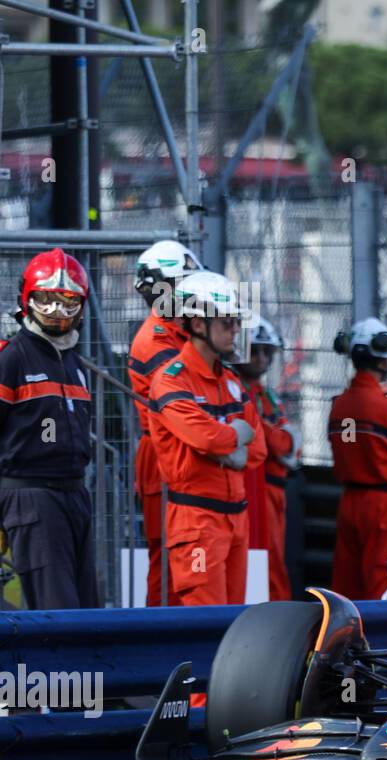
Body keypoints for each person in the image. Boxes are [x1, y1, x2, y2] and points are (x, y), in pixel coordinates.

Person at [149, 271, 266, 606]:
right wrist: (232, 440)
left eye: (235, 322)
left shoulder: (230, 379)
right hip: (197, 523)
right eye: (227, 322)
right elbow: (206, 438)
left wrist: (227, 446)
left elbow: (257, 448)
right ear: (198, 325)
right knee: (205, 621)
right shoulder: (171, 380)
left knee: (233, 625)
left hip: (235, 520)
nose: (235, 330)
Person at [0, 249, 99, 609]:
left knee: (88, 606)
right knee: (57, 609)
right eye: (47, 300)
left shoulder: (73, 362)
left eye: (68, 302)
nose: (58, 311)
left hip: (74, 492)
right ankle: (60, 669)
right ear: (26, 301)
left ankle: (90, 668)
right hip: (31, 496)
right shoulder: (11, 358)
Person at [127, 240, 203, 605]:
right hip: (162, 456)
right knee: (167, 558)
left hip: (179, 452)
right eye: (181, 283)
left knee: (185, 556)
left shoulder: (178, 333)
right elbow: (185, 389)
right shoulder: (155, 340)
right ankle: (159, 638)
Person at [328, 317, 387, 600]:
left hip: (349, 504)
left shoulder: (339, 405)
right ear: (382, 359)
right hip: (384, 507)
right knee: (383, 586)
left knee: (347, 586)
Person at [233, 315, 300, 601]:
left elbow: (287, 446)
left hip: (274, 491)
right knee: (264, 563)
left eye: (266, 352)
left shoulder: (268, 395)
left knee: (273, 561)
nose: (261, 358)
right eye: (255, 351)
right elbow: (276, 441)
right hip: (253, 490)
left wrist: (278, 438)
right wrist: (278, 437)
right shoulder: (237, 391)